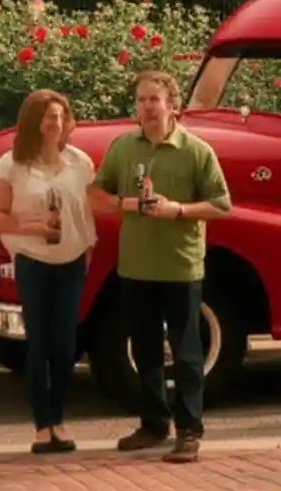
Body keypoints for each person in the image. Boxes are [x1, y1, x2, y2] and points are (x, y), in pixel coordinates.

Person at [93, 70, 231, 463]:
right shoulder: (123, 147)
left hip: (180, 267)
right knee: (145, 348)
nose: (147, 108)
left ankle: (189, 430)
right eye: (141, 100)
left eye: (154, 100)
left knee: (186, 351)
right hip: (136, 266)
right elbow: (95, 194)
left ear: (173, 106)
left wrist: (179, 210)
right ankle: (154, 423)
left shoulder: (196, 150)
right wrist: (127, 205)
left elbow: (222, 204)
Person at [0, 90, 101, 454]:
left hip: (72, 259)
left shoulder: (80, 162)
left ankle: (60, 420)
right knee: (39, 342)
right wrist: (26, 224)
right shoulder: (12, 164)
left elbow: (89, 209)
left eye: (61, 117)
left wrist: (89, 245)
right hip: (33, 260)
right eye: (49, 116)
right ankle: (41, 425)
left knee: (65, 344)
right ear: (34, 121)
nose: (56, 124)